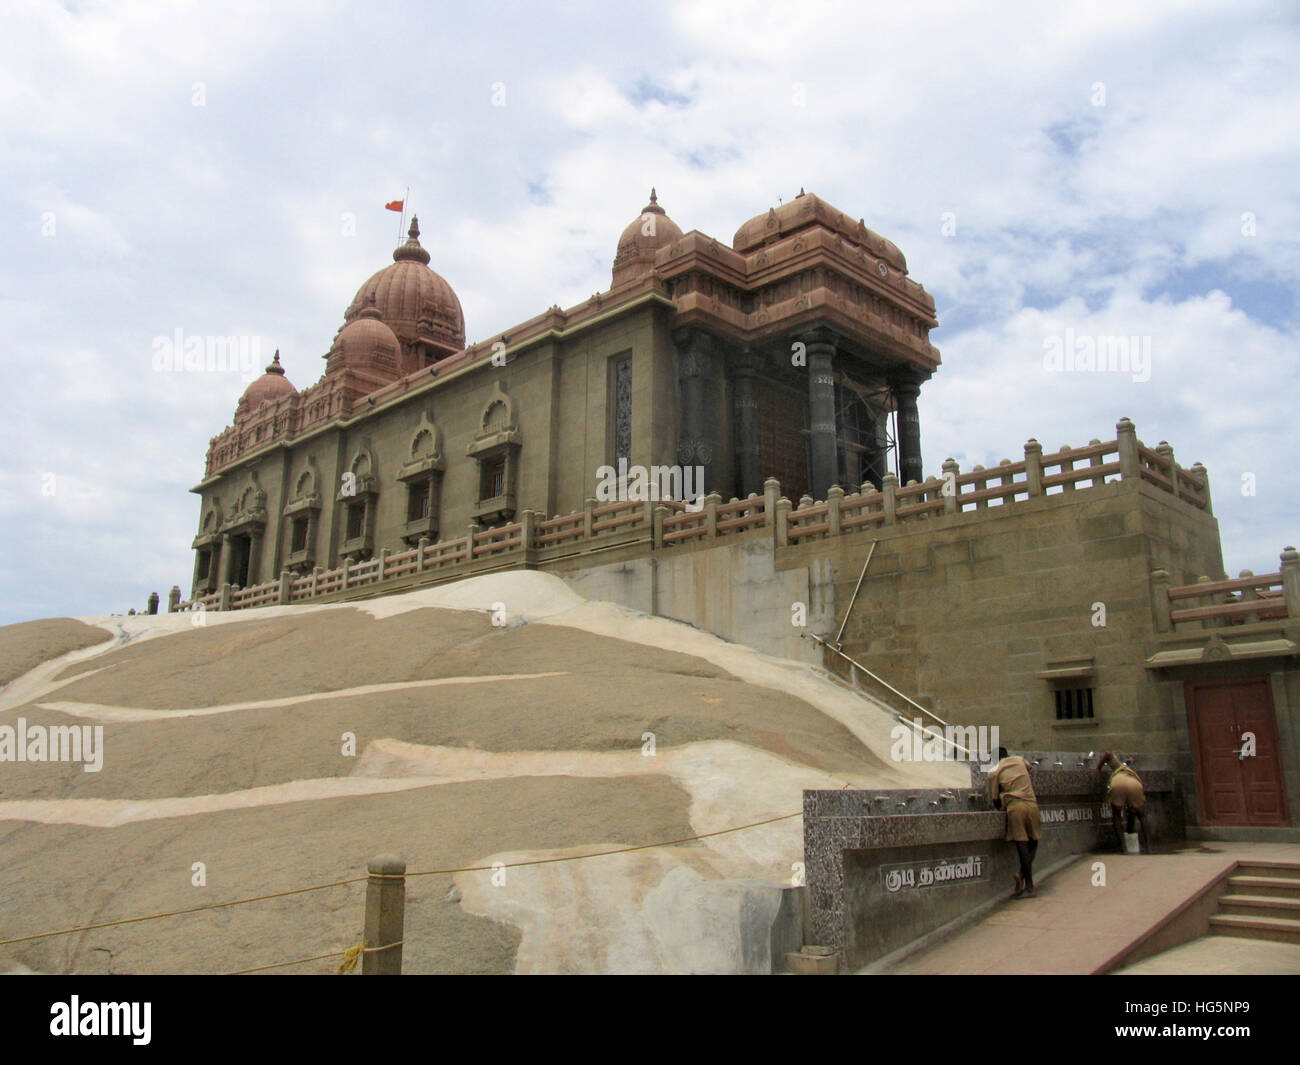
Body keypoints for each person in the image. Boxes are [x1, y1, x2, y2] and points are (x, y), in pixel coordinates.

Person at [986, 746, 1042, 898]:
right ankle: (1023, 878)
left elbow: (995, 800)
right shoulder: (1019, 760)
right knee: (1034, 841)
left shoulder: (994, 772)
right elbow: (1029, 769)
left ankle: (1027, 884)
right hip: (1031, 803)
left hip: (1015, 807)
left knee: (1021, 844)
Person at [1097, 751, 1147, 854]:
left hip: (1118, 784)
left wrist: (1098, 768)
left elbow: (1108, 754)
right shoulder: (1130, 772)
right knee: (1142, 817)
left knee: (1116, 816)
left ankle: (1124, 849)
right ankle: (1149, 848)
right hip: (1135, 785)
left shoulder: (1117, 766)